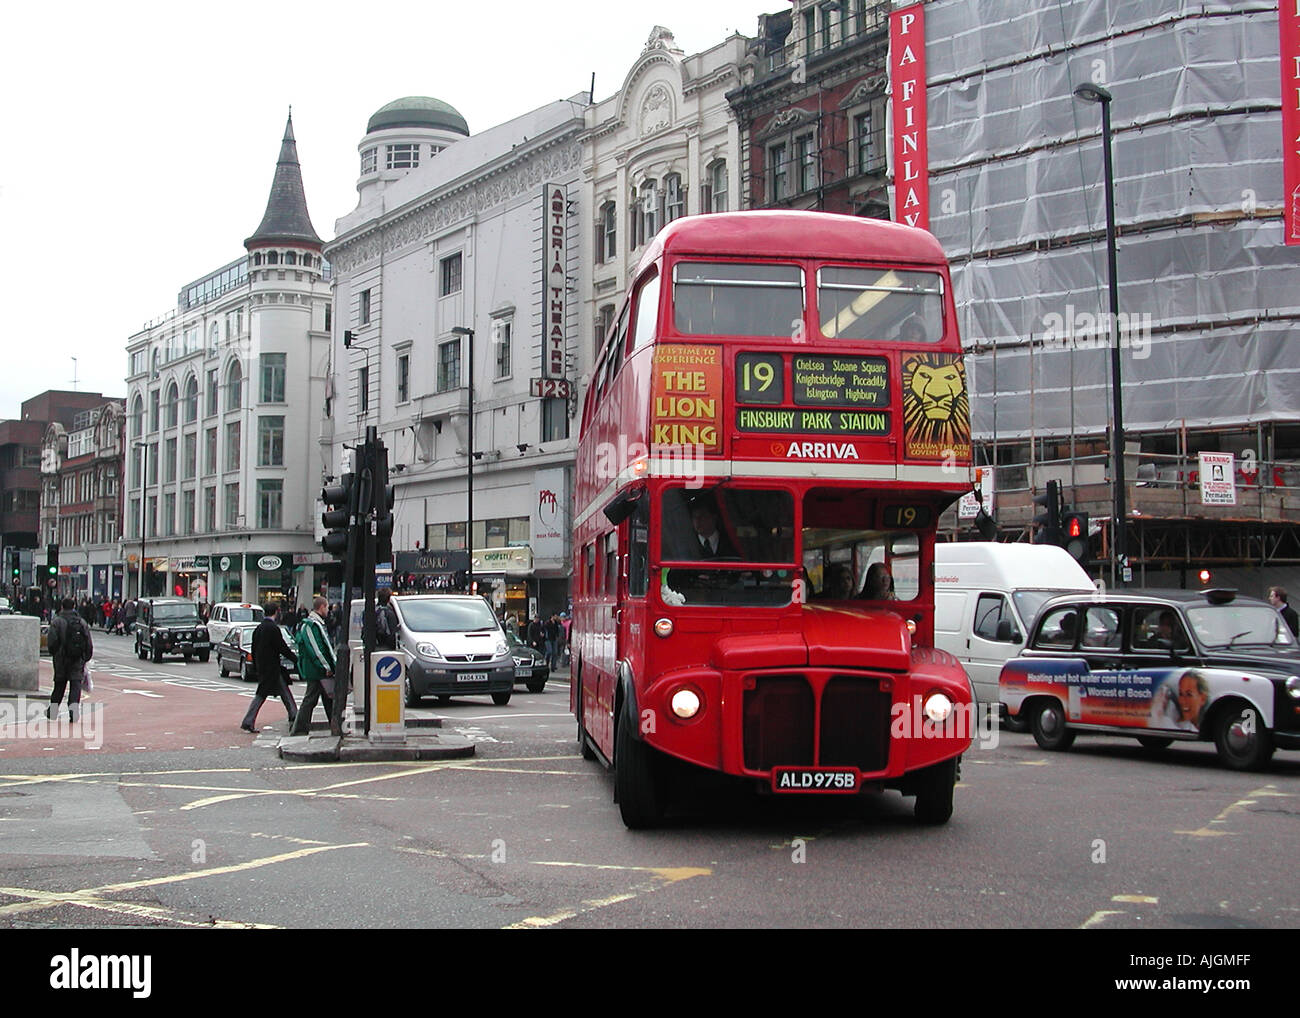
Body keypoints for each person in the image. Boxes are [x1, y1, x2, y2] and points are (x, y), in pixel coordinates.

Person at [240, 602, 298, 733]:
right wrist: (295, 659)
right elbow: (282, 647)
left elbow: (254, 649)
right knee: (269, 694)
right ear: (276, 612)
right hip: (272, 668)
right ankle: (294, 716)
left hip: (263, 668)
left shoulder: (258, 629)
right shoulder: (273, 629)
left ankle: (294, 715)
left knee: (276, 693)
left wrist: (256, 666)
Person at [290, 595, 336, 736]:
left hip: (318, 670)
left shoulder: (316, 624)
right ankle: (299, 730)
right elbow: (316, 649)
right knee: (311, 700)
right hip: (316, 671)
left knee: (329, 700)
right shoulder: (311, 625)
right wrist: (326, 667)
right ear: (321, 607)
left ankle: (336, 727)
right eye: (327, 607)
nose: (328, 610)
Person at [46, 597, 93, 722]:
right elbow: (88, 640)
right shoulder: (81, 622)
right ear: (74, 606)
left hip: (61, 659)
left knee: (59, 685)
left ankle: (53, 711)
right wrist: (86, 657)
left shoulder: (57, 621)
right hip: (77, 659)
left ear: (62, 606)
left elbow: (51, 641)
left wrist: (55, 653)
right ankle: (74, 711)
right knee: (75, 684)